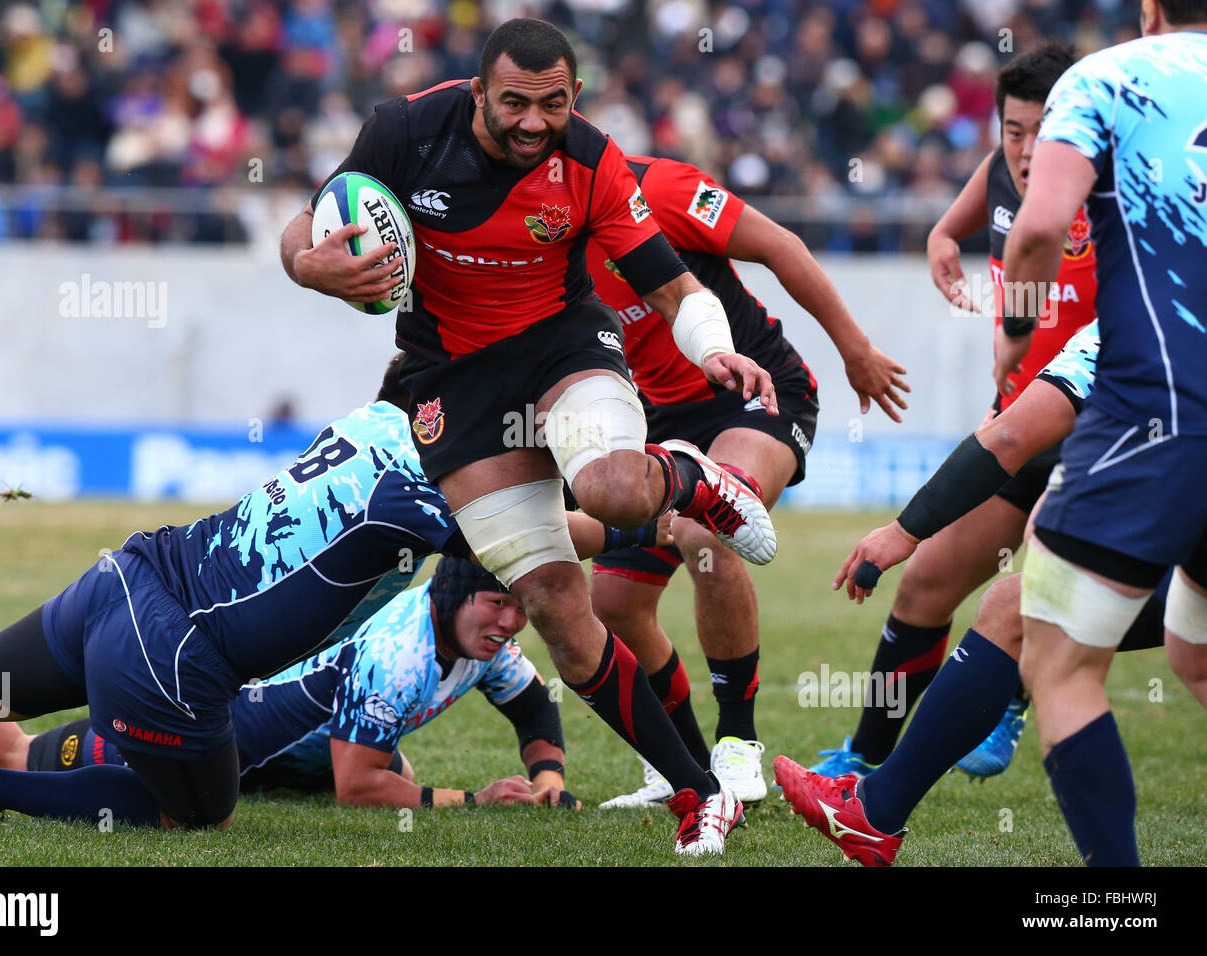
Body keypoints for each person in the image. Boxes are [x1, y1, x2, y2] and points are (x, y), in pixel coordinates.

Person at [279, 18, 778, 854]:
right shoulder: (405, 129)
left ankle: (692, 480)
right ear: (479, 92)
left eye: (552, 103)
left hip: (562, 347)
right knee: (554, 604)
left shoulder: (590, 157)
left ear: (573, 97)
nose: (532, 121)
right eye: (514, 102)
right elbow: (310, 221)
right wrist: (308, 264)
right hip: (451, 383)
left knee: (614, 490)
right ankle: (698, 794)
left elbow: (671, 284)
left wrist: (715, 348)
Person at [0, 356, 657, 831]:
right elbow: (533, 534)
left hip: (126, 582)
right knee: (189, 811)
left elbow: (528, 685)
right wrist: (651, 513)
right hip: (174, 667)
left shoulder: (366, 432)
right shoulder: (415, 491)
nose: (508, 615)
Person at [581, 154, 908, 807]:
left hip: (756, 395)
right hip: (653, 424)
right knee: (613, 606)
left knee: (709, 527)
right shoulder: (535, 235)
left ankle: (738, 748)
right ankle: (686, 772)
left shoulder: (659, 188)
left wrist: (855, 350)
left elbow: (781, 245)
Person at [808, 42, 1097, 782]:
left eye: (1045, 129)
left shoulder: (1116, 185)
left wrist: (1015, 332)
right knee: (926, 584)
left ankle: (1008, 703)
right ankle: (863, 758)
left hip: (1103, 430)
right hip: (1020, 427)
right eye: (1014, 131)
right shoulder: (1003, 168)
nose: (1029, 151)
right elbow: (958, 223)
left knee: (1034, 582)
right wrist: (941, 241)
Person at [774, 322, 1162, 866]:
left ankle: (880, 807)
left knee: (1028, 617)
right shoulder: (1159, 295)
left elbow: (1009, 438)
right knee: (1034, 615)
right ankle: (876, 781)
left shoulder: (1136, 317)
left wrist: (903, 531)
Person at [996, 0, 1207, 866]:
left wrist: (1014, 327)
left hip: (1164, 409)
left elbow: (1040, 225)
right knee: (1196, 654)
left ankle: (1114, 902)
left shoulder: (1107, 76)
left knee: (1056, 658)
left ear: (1151, 9)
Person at [0, 558, 580, 819]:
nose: (511, 621)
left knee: (392, 760)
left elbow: (530, 707)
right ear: (458, 595)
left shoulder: (480, 637)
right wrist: (476, 801)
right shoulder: (401, 655)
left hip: (265, 735)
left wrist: (547, 777)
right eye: (499, 604)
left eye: (519, 608)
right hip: (209, 712)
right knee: (14, 747)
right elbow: (359, 789)